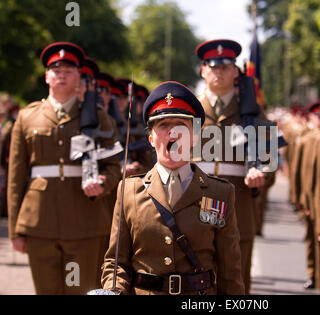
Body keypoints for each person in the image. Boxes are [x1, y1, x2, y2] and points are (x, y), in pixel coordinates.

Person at [101, 81, 244, 295]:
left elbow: (229, 272)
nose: (172, 133)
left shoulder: (220, 193)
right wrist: (114, 290)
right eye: (163, 125)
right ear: (151, 138)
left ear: (194, 137)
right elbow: (115, 262)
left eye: (180, 125)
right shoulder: (129, 190)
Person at [7, 42, 121, 294]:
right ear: (47, 76)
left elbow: (114, 166)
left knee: (81, 290)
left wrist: (102, 183)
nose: (61, 75)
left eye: (68, 70)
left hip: (85, 219)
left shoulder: (98, 116)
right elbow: (16, 176)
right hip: (39, 220)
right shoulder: (27, 117)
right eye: (55, 70)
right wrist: (16, 227)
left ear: (78, 76)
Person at [195, 39, 270, 294]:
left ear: (235, 72)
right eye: (213, 67)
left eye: (226, 67)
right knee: (198, 278)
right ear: (203, 71)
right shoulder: (190, 111)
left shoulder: (252, 111)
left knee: (236, 279)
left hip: (237, 205)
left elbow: (268, 161)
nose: (219, 72)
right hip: (196, 204)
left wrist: (261, 173)